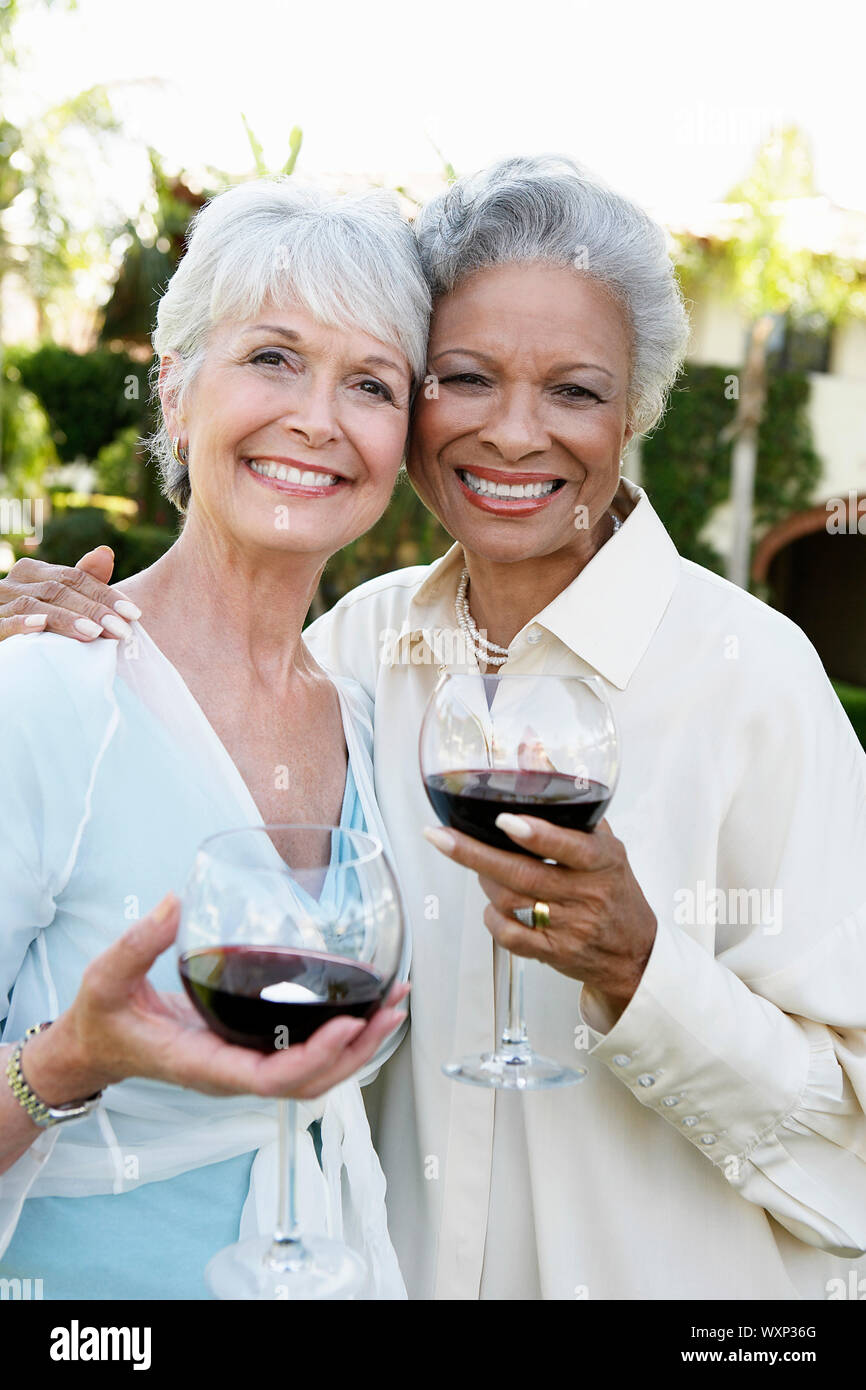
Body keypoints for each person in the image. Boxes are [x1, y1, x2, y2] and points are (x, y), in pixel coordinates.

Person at [5, 156, 866, 1301]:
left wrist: (640, 970)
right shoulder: (359, 656)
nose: (514, 436)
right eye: (463, 378)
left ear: (635, 411)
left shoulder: (751, 681)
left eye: (574, 390)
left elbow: (848, 1135)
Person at [0, 175, 429, 1299]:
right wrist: (72, 1059)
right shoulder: (44, 695)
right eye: (273, 357)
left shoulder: (371, 718)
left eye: (370, 383)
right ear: (178, 394)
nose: (317, 418)